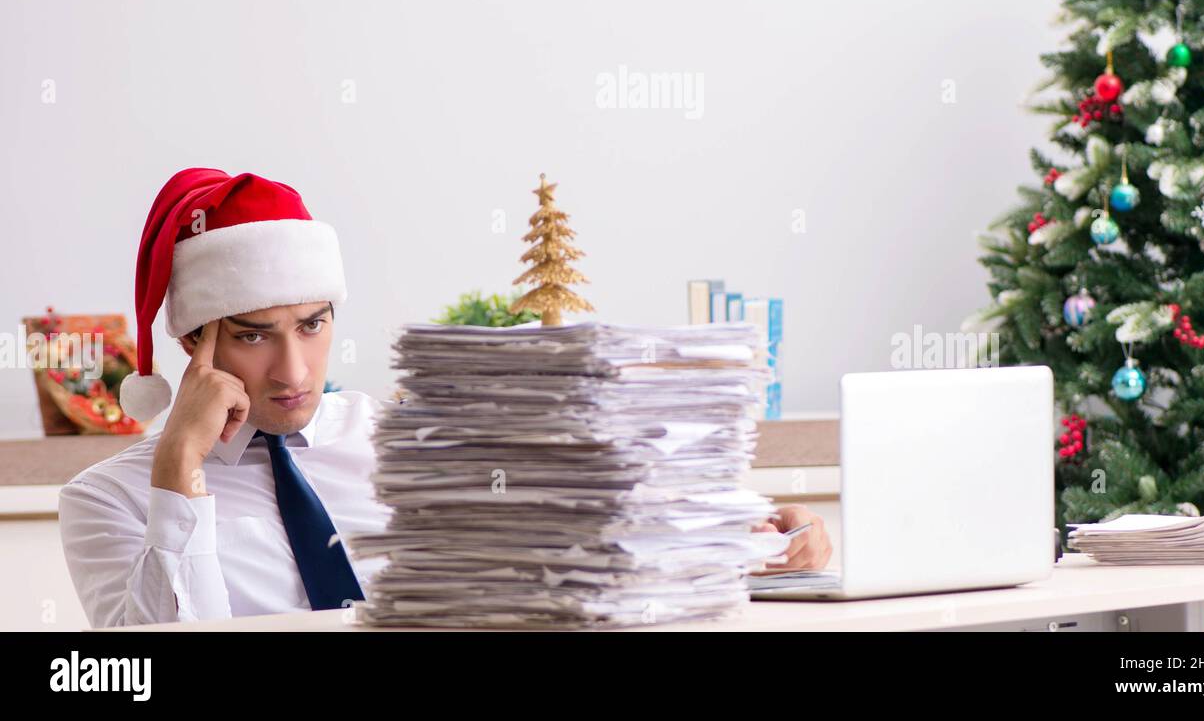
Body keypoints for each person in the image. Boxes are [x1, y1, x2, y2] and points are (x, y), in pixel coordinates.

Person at [58, 167, 830, 629]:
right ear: (195, 346)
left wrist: (752, 537)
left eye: (313, 324)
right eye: (254, 335)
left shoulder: (405, 435)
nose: (295, 368)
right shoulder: (110, 500)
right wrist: (181, 465)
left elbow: (578, 533)